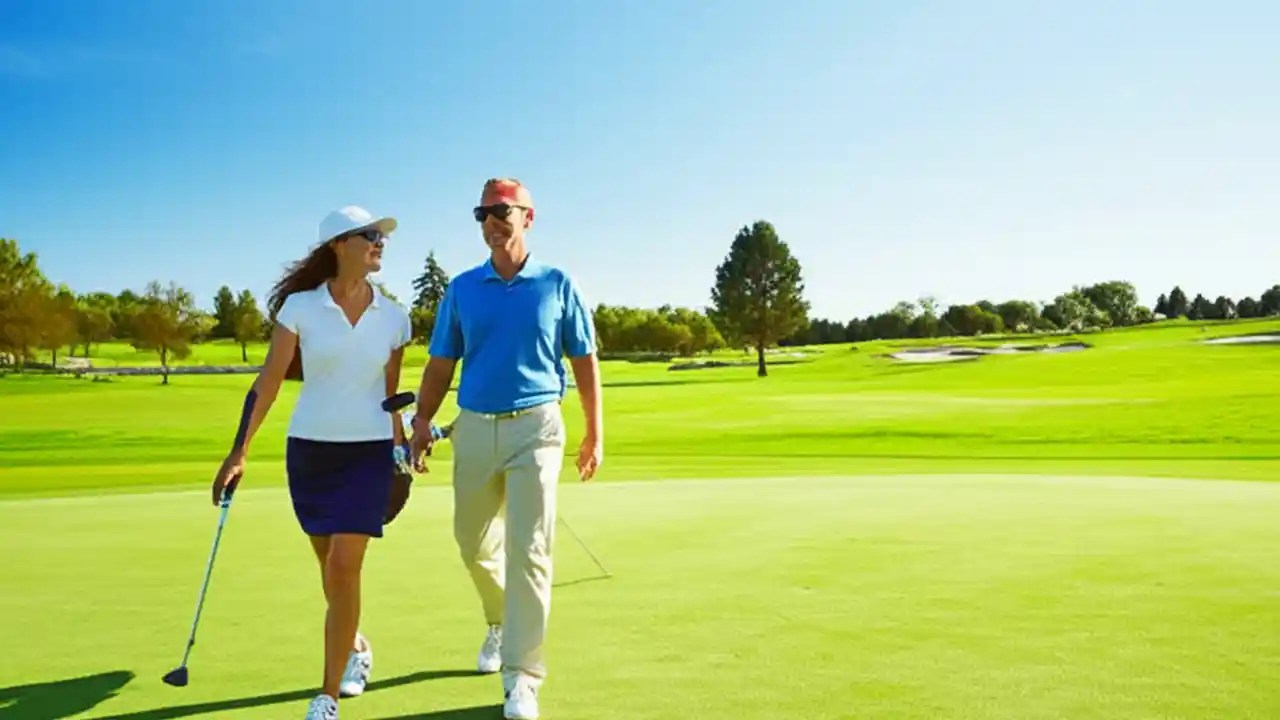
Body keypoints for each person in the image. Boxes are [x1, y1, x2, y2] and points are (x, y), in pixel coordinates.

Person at [408, 177, 603, 720]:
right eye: (483, 213)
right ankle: (499, 622)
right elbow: (442, 363)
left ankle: (522, 676)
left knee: (530, 551)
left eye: (502, 210)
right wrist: (422, 419)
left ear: (528, 217)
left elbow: (584, 361)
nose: (492, 221)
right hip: (473, 427)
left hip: (537, 428)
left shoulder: (557, 283)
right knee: (471, 543)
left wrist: (594, 432)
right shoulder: (463, 289)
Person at [210, 205, 414, 720]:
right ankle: (356, 645)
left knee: (345, 567)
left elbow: (391, 396)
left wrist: (402, 449)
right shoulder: (301, 308)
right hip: (311, 454)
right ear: (337, 246)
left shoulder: (394, 317)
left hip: (367, 455)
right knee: (329, 569)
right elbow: (270, 382)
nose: (379, 242)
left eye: (381, 236)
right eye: (369, 235)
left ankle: (326, 694)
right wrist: (240, 451)